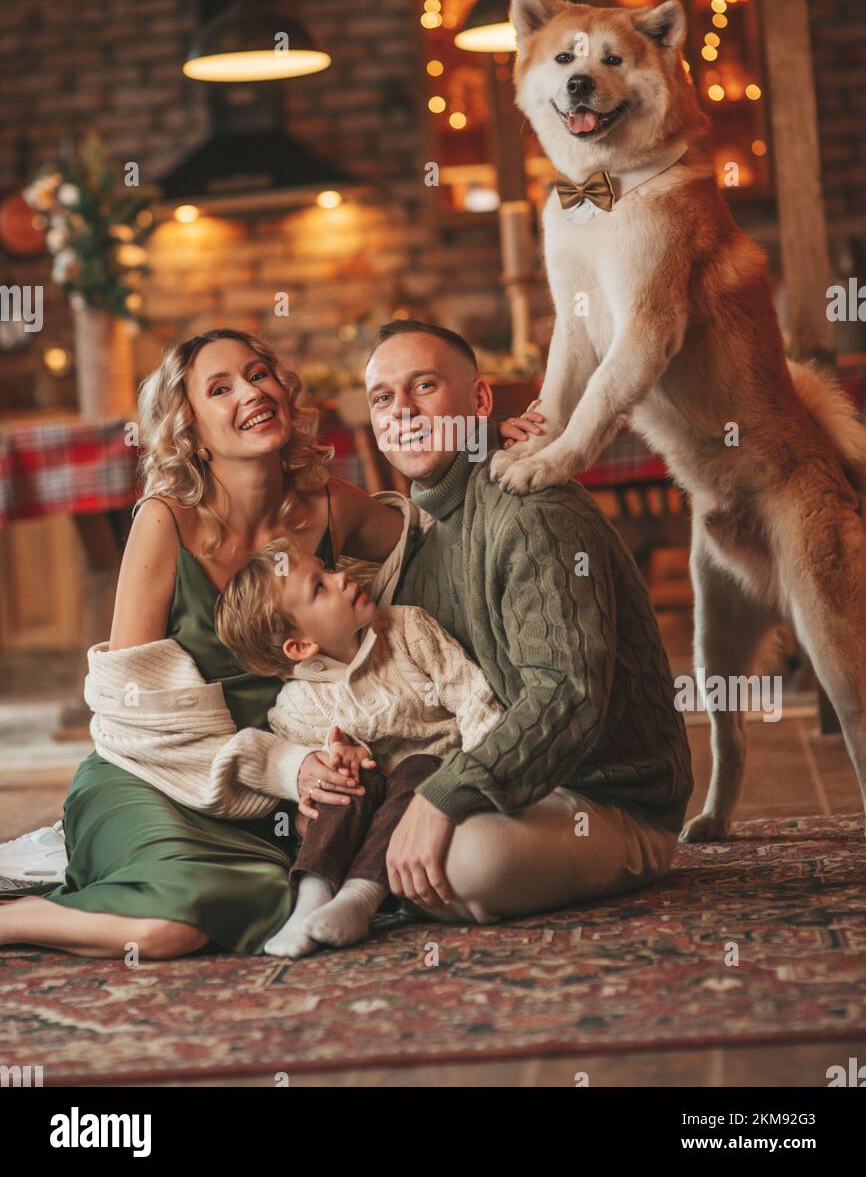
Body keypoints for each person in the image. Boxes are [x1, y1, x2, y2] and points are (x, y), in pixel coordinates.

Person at [0, 329, 406, 957]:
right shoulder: (164, 521)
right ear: (190, 429)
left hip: (272, 792)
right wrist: (286, 766)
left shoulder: (328, 508)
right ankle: (20, 916)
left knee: (277, 901)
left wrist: (499, 457)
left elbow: (435, 536)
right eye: (221, 388)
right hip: (151, 772)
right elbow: (127, 713)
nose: (251, 392)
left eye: (258, 373)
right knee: (174, 927)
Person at [358, 319, 694, 922]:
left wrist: (442, 798)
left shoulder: (530, 505)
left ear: (480, 400)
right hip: (509, 785)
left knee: (468, 865)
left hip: (605, 799)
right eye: (383, 398)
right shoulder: (418, 532)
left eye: (424, 386)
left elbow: (568, 694)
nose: (401, 411)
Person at [212, 536, 503, 957]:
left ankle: (359, 900)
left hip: (435, 789)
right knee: (343, 780)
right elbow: (308, 812)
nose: (342, 577)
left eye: (326, 568)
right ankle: (312, 898)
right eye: (320, 586)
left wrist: (482, 777)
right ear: (300, 646)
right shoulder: (297, 707)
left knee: (418, 765)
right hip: (366, 823)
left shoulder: (407, 630)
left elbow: (473, 699)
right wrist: (343, 762)